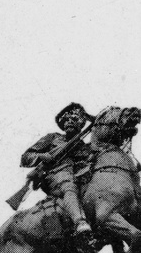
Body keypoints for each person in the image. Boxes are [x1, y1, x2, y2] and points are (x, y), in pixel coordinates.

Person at [20, 102, 94, 239]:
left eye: (74, 119)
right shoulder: (53, 137)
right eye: (66, 120)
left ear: (81, 124)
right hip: (55, 175)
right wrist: (42, 156)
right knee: (68, 185)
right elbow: (25, 158)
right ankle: (80, 222)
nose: (69, 122)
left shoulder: (83, 146)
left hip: (75, 175)